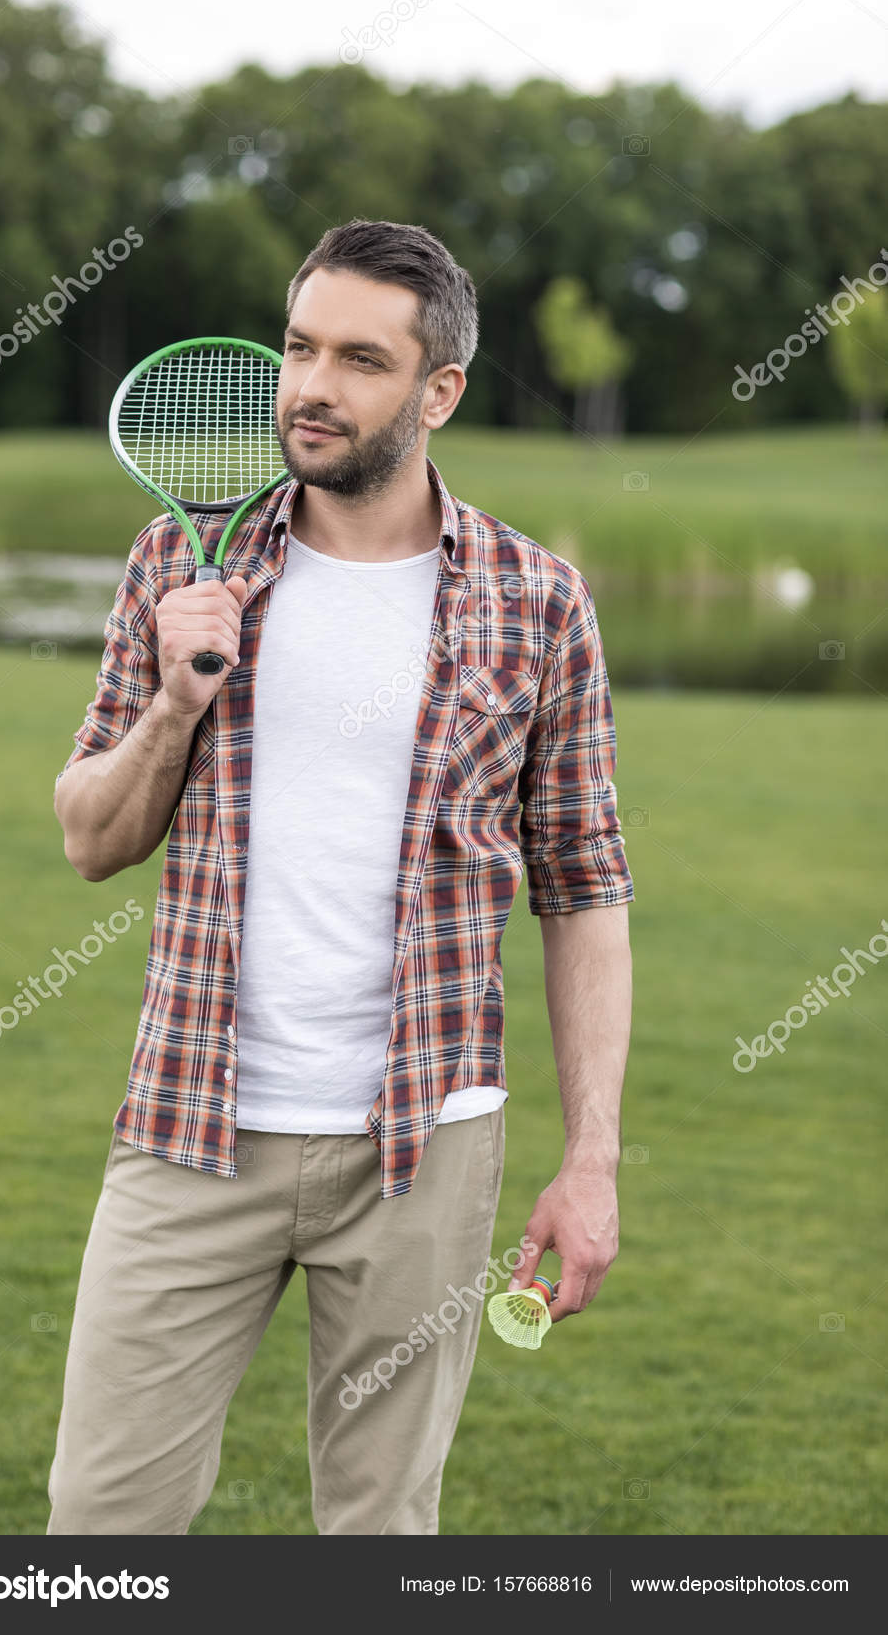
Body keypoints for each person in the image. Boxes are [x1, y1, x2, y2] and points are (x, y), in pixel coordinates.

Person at [45, 218, 633, 1536]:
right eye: (299, 345)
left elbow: (586, 890)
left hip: (424, 1147)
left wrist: (590, 1160)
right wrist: (175, 707)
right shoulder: (182, 566)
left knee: (377, 1539)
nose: (311, 384)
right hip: (192, 1125)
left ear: (439, 393)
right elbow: (90, 837)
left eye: (359, 358)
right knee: (99, 1530)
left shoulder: (538, 603)